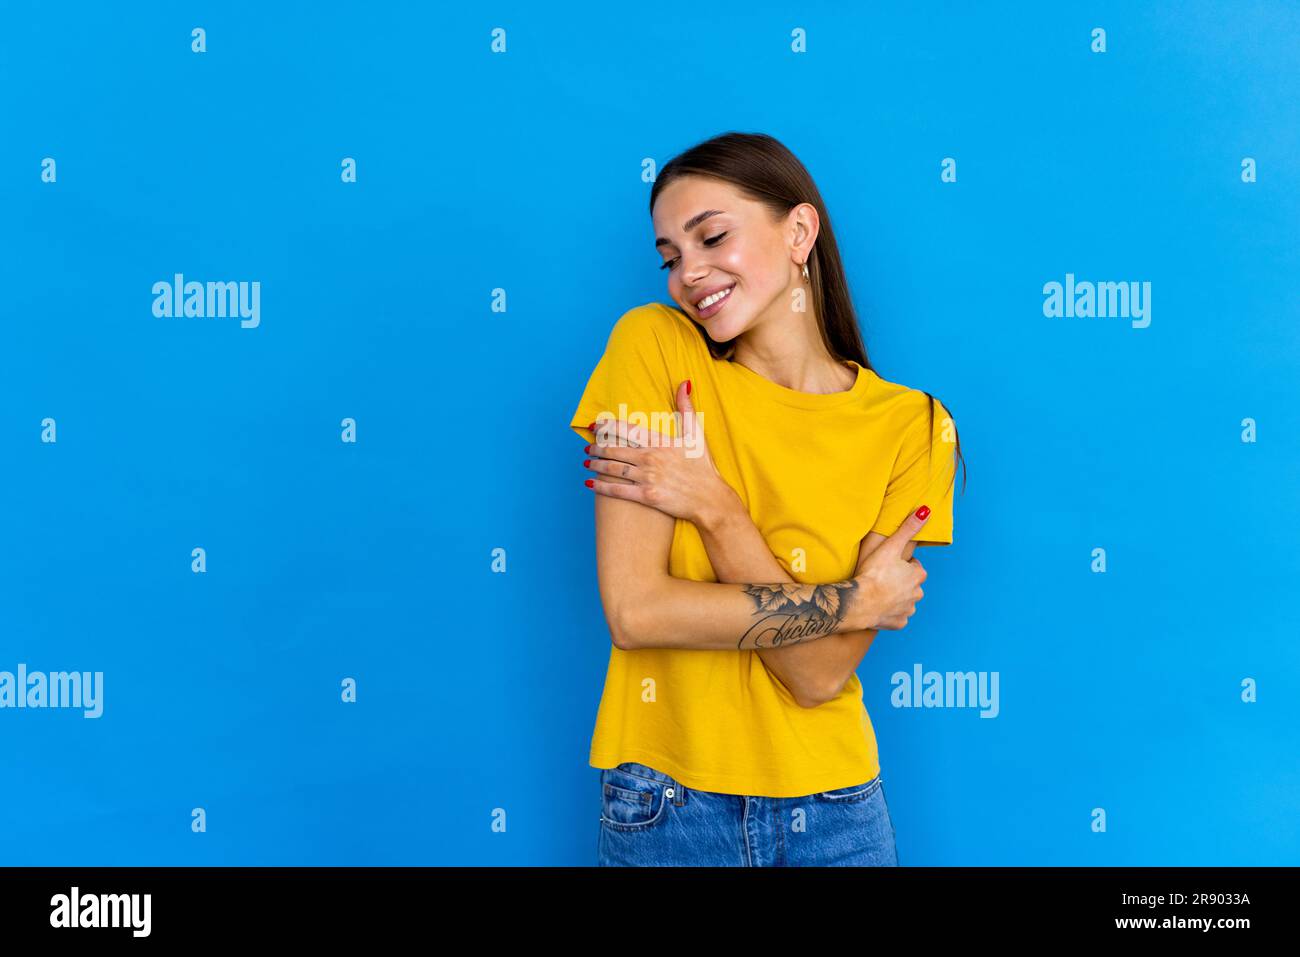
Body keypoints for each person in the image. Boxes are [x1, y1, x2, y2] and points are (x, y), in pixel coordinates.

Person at [568, 132, 965, 866]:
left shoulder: (915, 426)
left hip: (840, 806)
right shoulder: (655, 349)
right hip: (668, 805)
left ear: (799, 231)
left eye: (712, 235)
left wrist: (715, 507)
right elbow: (636, 611)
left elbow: (814, 676)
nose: (688, 273)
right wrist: (852, 601)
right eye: (670, 256)